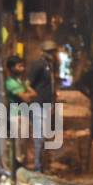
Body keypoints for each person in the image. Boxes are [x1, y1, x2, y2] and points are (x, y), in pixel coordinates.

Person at [27, 41, 60, 172]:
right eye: (52, 52)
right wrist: (33, 96)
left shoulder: (49, 66)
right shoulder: (39, 65)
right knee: (39, 138)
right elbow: (28, 84)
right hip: (38, 105)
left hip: (46, 106)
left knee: (44, 137)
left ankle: (42, 166)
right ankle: (37, 168)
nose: (54, 55)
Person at [4, 56, 38, 172]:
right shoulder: (10, 83)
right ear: (12, 68)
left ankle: (29, 167)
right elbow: (26, 98)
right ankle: (17, 168)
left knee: (28, 143)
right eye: (19, 66)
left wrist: (26, 87)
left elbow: (34, 93)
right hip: (16, 116)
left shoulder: (20, 82)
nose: (22, 68)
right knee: (19, 144)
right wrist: (26, 92)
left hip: (24, 115)